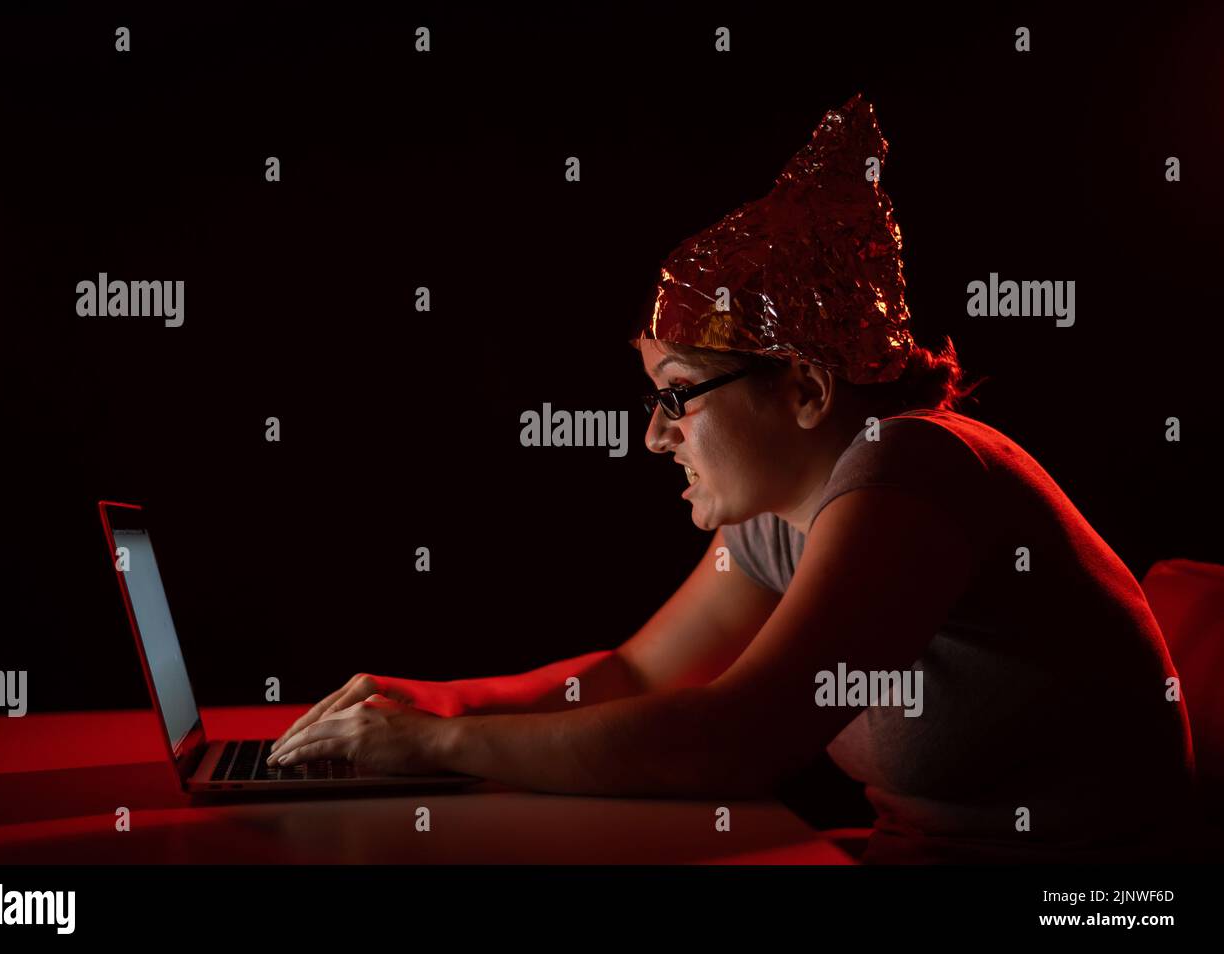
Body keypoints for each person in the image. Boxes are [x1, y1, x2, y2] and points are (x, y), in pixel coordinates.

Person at [268, 95, 1199, 863]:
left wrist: (439, 747)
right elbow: (631, 673)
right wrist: (425, 702)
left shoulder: (910, 464)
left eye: (680, 395)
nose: (654, 437)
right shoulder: (787, 514)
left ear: (803, 388)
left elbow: (738, 735)